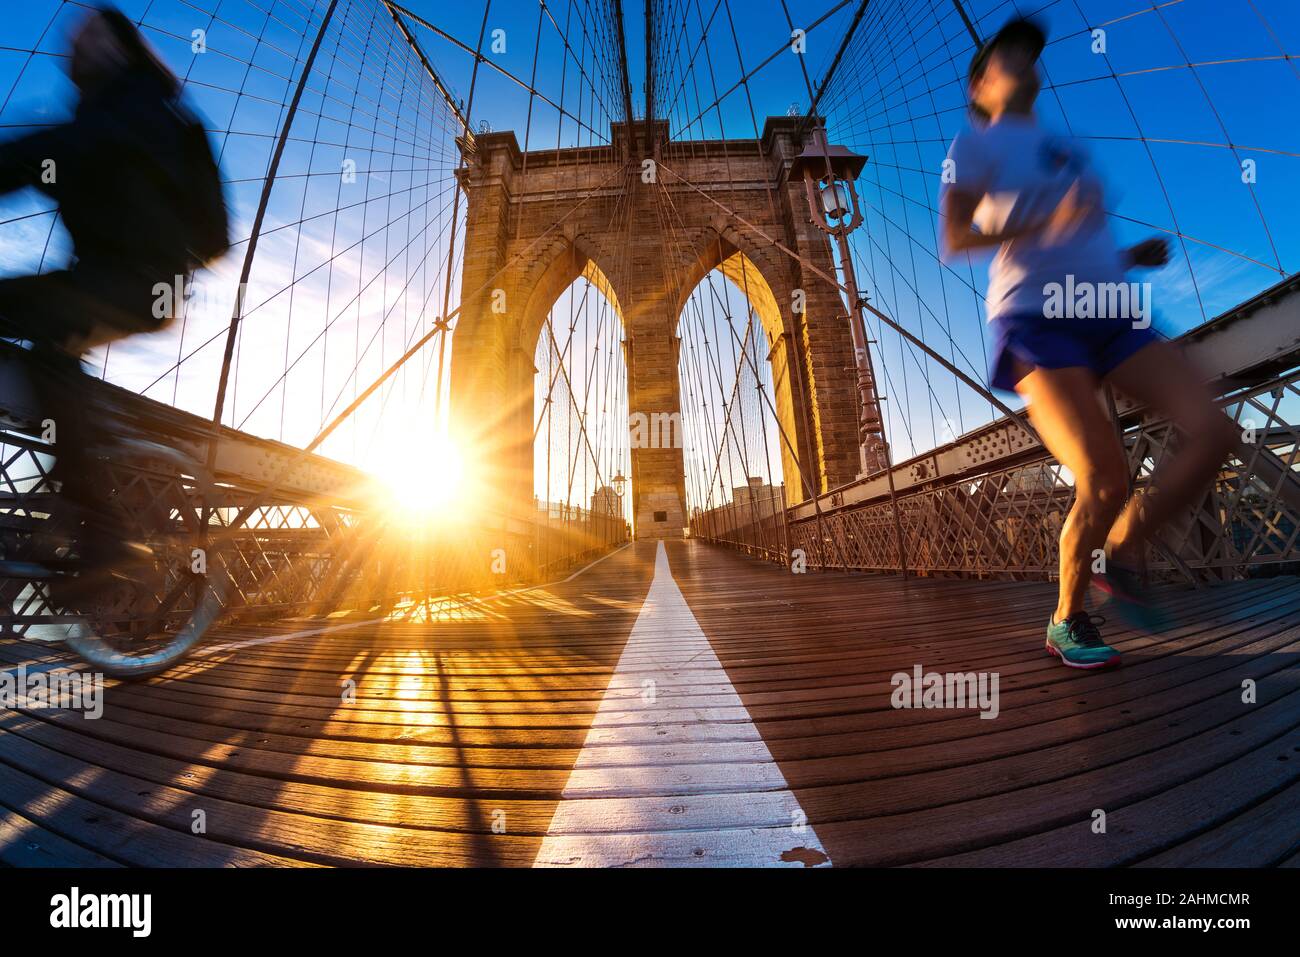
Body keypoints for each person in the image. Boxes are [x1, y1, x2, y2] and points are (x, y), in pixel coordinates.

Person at [940, 18, 1237, 669]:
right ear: (980, 85)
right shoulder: (972, 144)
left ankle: (1125, 552)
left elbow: (1080, 241)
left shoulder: (1066, 148)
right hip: (1035, 320)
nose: (1024, 60)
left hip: (1109, 310)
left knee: (1214, 430)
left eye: (1029, 54)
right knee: (1103, 476)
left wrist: (1130, 253)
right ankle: (1066, 619)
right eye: (1008, 55)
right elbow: (955, 239)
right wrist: (1049, 219)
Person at [0, 5, 228, 576]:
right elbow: (218, 237)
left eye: (90, 36)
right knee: (51, 345)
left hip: (132, 285)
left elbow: (45, 156)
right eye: (72, 39)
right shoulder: (139, 118)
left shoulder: (137, 112)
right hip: (126, 283)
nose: (74, 46)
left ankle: (101, 527)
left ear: (123, 47)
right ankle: (84, 464)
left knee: (50, 330)